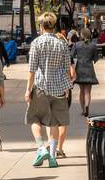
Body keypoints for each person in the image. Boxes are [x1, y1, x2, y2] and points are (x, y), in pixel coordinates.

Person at [26, 12, 74, 168]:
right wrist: (67, 86)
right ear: (53, 25)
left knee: (34, 118)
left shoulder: (37, 43)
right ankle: (52, 156)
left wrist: (28, 90)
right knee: (53, 121)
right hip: (59, 88)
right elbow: (67, 68)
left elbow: (32, 70)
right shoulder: (62, 43)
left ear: (41, 26)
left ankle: (41, 148)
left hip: (41, 86)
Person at [72, 27, 100, 118]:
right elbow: (95, 59)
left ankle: (83, 109)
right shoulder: (93, 45)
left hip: (79, 69)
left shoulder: (76, 45)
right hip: (89, 69)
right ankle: (87, 105)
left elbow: (71, 56)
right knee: (87, 91)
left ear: (81, 35)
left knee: (81, 91)